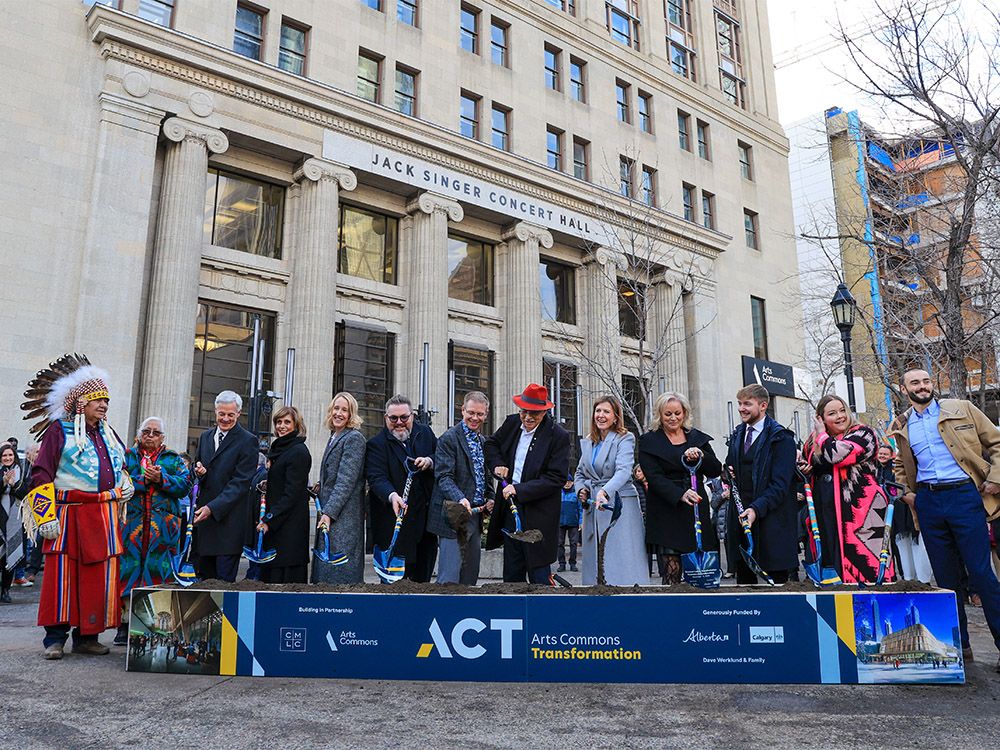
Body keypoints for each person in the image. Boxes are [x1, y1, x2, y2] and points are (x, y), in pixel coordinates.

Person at [20, 355, 134, 659]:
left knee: (98, 578)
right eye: (98, 400)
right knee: (62, 576)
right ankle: (54, 639)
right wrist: (45, 514)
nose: (104, 405)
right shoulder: (60, 431)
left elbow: (123, 464)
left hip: (103, 515)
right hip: (69, 514)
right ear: (81, 402)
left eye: (107, 401)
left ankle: (87, 636)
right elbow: (42, 472)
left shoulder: (109, 434)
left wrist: (126, 482)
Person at [889, 368, 1000, 670]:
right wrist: (909, 494)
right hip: (928, 502)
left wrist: (995, 478)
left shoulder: (961, 409)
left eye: (926, 381)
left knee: (981, 573)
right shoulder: (901, 424)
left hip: (965, 496)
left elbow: (997, 443)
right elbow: (900, 463)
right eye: (915, 383)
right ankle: (957, 650)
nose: (922, 386)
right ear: (904, 388)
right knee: (946, 580)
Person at [801, 395, 894, 584]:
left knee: (865, 570)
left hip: (858, 514)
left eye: (842, 410)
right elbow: (808, 462)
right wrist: (804, 467)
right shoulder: (812, 443)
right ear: (821, 418)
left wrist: (822, 435)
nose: (840, 416)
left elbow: (840, 454)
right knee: (830, 565)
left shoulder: (864, 434)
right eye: (832, 413)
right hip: (824, 511)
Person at [484, 384, 570, 584]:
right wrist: (497, 464)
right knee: (512, 572)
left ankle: (542, 613)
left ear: (545, 411)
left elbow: (556, 477)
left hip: (539, 515)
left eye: (535, 413)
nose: (528, 417)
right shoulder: (512, 424)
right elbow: (491, 444)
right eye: (524, 412)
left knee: (539, 573)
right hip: (511, 509)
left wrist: (520, 489)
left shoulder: (558, 436)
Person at [117, 417, 192, 644]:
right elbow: (118, 482)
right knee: (128, 571)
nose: (150, 435)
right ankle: (125, 625)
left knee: (159, 572)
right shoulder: (127, 456)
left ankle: (153, 627)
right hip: (131, 526)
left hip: (163, 530)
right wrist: (143, 480)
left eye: (155, 432)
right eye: (146, 431)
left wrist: (162, 479)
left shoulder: (173, 459)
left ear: (163, 437)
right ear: (139, 434)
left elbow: (185, 485)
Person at [638, 392, 722, 585]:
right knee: (671, 573)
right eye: (668, 414)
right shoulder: (648, 441)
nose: (673, 418)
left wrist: (702, 455)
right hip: (666, 509)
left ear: (684, 413)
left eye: (677, 413)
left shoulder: (697, 438)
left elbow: (715, 469)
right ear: (660, 415)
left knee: (702, 573)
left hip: (695, 510)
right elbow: (654, 476)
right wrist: (679, 494)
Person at [723, 384, 798, 584]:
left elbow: (781, 485)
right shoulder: (738, 434)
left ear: (763, 405)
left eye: (747, 404)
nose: (741, 408)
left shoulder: (782, 438)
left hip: (773, 525)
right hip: (742, 522)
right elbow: (731, 467)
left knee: (778, 591)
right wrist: (727, 472)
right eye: (740, 403)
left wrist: (756, 509)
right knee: (745, 590)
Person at [366, 395, 437, 583]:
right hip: (393, 529)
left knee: (423, 585)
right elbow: (376, 477)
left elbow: (441, 457)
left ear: (412, 416)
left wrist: (430, 461)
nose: (399, 423)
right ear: (385, 418)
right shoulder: (376, 445)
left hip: (425, 529)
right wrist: (392, 496)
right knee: (393, 587)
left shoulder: (426, 433)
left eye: (404, 417)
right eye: (393, 418)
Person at [577, 396, 647, 586]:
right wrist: (581, 490)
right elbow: (579, 473)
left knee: (621, 558)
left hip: (619, 504)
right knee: (595, 561)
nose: (600, 415)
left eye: (606, 412)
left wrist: (605, 492)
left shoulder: (625, 438)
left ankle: (629, 596)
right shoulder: (588, 441)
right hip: (594, 507)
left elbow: (624, 470)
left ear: (616, 417)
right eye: (598, 411)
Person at [428, 391, 494, 584]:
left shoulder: (484, 442)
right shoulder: (448, 438)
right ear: (462, 410)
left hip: (475, 516)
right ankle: (445, 614)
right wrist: (460, 498)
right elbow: (443, 477)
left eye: (480, 414)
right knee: (449, 580)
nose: (475, 418)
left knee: (470, 578)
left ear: (486, 414)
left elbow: (486, 477)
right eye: (471, 412)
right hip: (453, 516)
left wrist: (491, 497)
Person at [192, 391, 258, 582]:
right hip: (204, 525)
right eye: (222, 414)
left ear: (238, 414)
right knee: (203, 582)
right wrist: (198, 471)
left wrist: (212, 508)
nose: (226, 419)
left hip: (228, 525)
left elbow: (240, 483)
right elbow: (198, 466)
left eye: (230, 414)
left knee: (223, 585)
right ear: (215, 412)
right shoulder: (205, 437)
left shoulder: (248, 441)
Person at [316, 392, 367, 584]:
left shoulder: (354, 438)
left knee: (340, 576)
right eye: (336, 408)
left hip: (343, 518)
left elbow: (346, 481)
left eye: (344, 410)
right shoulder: (335, 436)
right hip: (333, 514)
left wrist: (328, 514)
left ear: (351, 414)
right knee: (328, 574)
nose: (339, 413)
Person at [256, 406, 312, 584]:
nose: (281, 426)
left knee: (285, 583)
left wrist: (268, 519)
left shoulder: (298, 451)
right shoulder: (279, 449)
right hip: (278, 527)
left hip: (289, 531)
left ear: (296, 425)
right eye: (278, 422)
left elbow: (292, 494)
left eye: (287, 422)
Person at [876, 443, 931, 582]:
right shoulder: (874, 470)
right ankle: (903, 575)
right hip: (886, 514)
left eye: (885, 454)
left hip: (903, 510)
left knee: (911, 541)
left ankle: (919, 577)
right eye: (880, 453)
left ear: (891, 456)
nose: (882, 456)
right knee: (896, 545)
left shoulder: (895, 470)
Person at [1, 442, 27, 602]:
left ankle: (5, 590)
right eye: (4, 455)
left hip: (14, 519)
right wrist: (3, 482)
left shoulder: (22, 471)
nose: (8, 458)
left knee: (10, 554)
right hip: (0, 517)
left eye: (10, 455)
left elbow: (26, 492)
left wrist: (14, 484)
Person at [21, 443, 43, 584]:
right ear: (28, 454)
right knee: (23, 539)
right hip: (25, 508)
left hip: (40, 507)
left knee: (38, 539)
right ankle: (21, 570)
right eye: (36, 452)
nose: (38, 454)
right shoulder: (24, 468)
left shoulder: (43, 468)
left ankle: (32, 570)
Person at [557, 476, 580, 573]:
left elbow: (580, 510)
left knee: (573, 544)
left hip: (573, 523)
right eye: (565, 482)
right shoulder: (557, 494)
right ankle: (561, 564)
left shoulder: (576, 494)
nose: (567, 484)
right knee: (559, 544)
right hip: (560, 523)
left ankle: (573, 563)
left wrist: (581, 522)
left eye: (569, 482)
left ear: (573, 483)